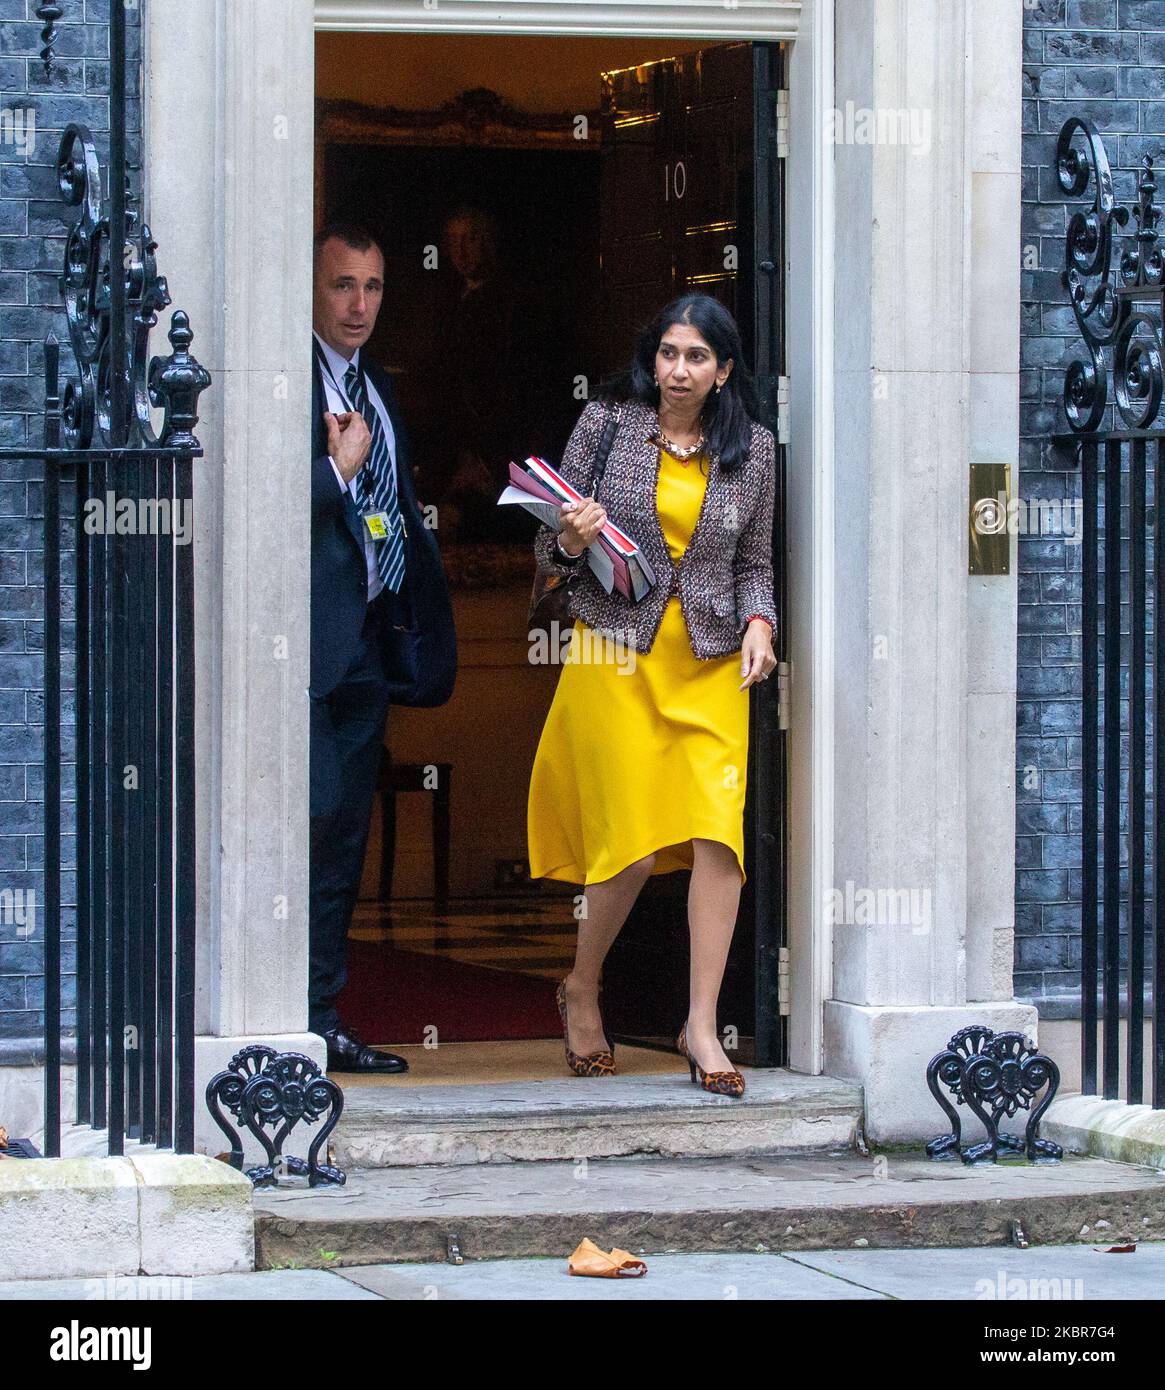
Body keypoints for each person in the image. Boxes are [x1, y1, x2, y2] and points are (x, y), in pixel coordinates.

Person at [526, 294, 778, 1098]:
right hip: (616, 653)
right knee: (627, 844)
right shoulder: (605, 424)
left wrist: (761, 624)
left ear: (723, 370)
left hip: (707, 664)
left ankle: (700, 1025)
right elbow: (548, 538)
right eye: (668, 353)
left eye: (696, 357)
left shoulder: (754, 450)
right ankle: (583, 985)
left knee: (718, 841)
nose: (678, 369)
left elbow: (755, 562)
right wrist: (569, 536)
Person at [310, 222, 455, 1073]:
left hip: (368, 642)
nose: (358, 304)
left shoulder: (380, 388)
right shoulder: (286, 378)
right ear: (313, 287)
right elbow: (244, 493)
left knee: (344, 842)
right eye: (341, 286)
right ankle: (275, 1018)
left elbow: (393, 508)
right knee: (310, 821)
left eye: (371, 288)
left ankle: (321, 1014)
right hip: (302, 647)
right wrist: (335, 473)